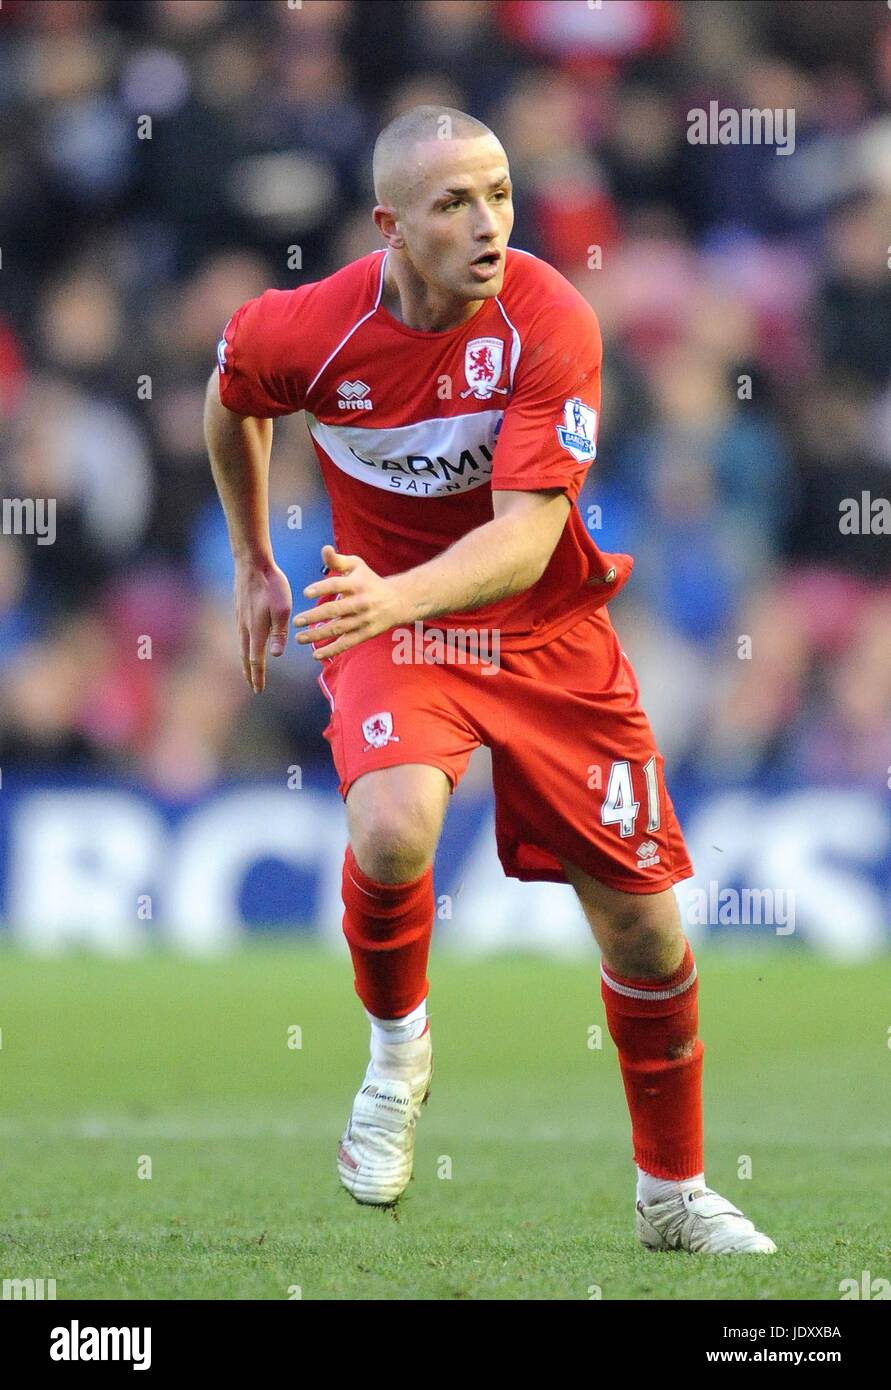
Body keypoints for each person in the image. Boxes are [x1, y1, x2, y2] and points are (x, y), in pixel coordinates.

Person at [203, 105, 775, 1254]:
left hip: (541, 631)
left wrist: (393, 595)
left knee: (648, 936)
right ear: (390, 227)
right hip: (395, 627)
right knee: (394, 829)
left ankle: (670, 1194)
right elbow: (232, 400)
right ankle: (395, 1051)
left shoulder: (550, 317)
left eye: (501, 194)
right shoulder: (308, 327)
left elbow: (525, 540)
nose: (490, 224)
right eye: (455, 203)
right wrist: (255, 559)